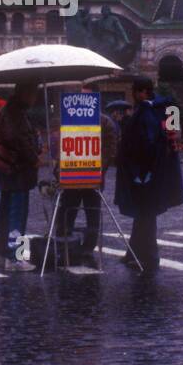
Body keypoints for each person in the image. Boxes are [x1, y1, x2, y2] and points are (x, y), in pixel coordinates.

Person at [115, 77, 183, 270]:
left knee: (146, 212)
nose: (133, 95)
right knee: (146, 213)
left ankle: (150, 255)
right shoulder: (168, 107)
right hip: (163, 168)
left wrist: (140, 172)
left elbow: (145, 143)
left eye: (134, 91)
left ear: (142, 92)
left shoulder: (145, 111)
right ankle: (135, 253)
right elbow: (174, 137)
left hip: (146, 171)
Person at [0, 83, 41, 267]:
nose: (35, 97)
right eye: (33, 93)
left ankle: (1, 253)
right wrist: (33, 157)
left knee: (6, 213)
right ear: (24, 92)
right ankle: (16, 258)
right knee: (18, 216)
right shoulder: (15, 113)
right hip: (18, 172)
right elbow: (18, 140)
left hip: (10, 172)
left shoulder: (9, 111)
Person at [60, 108, 119, 259]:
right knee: (68, 210)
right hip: (72, 174)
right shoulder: (70, 116)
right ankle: (63, 244)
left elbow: (111, 149)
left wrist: (99, 168)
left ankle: (87, 247)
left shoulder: (105, 122)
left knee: (92, 213)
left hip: (92, 175)